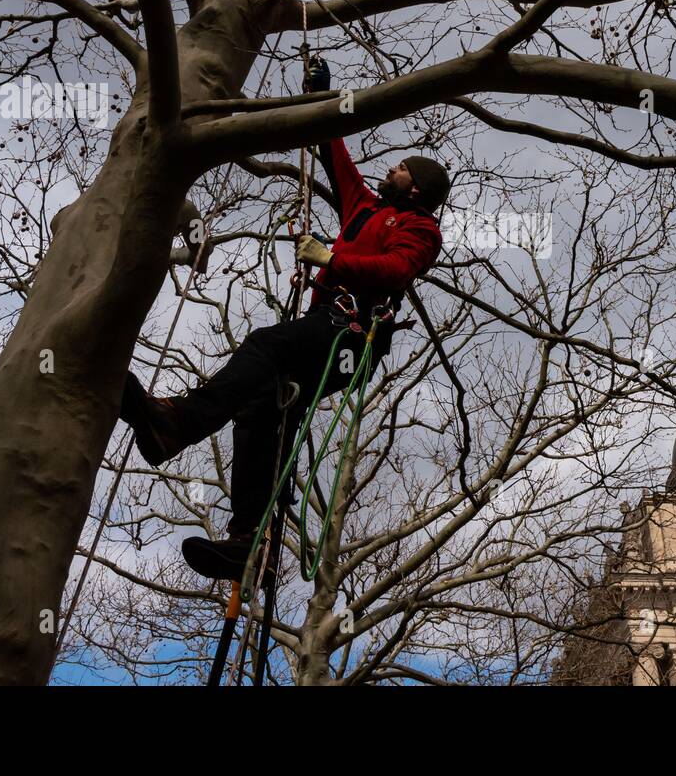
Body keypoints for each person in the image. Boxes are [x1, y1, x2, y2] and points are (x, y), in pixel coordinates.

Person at [120, 62, 450, 580]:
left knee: (266, 347)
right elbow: (332, 150)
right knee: (261, 412)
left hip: (350, 334)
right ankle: (251, 541)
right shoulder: (365, 209)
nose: (392, 169)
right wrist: (322, 96)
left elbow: (397, 269)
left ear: (416, 189)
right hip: (326, 326)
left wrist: (330, 259)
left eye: (403, 168)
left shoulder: (418, 228)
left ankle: (180, 421)